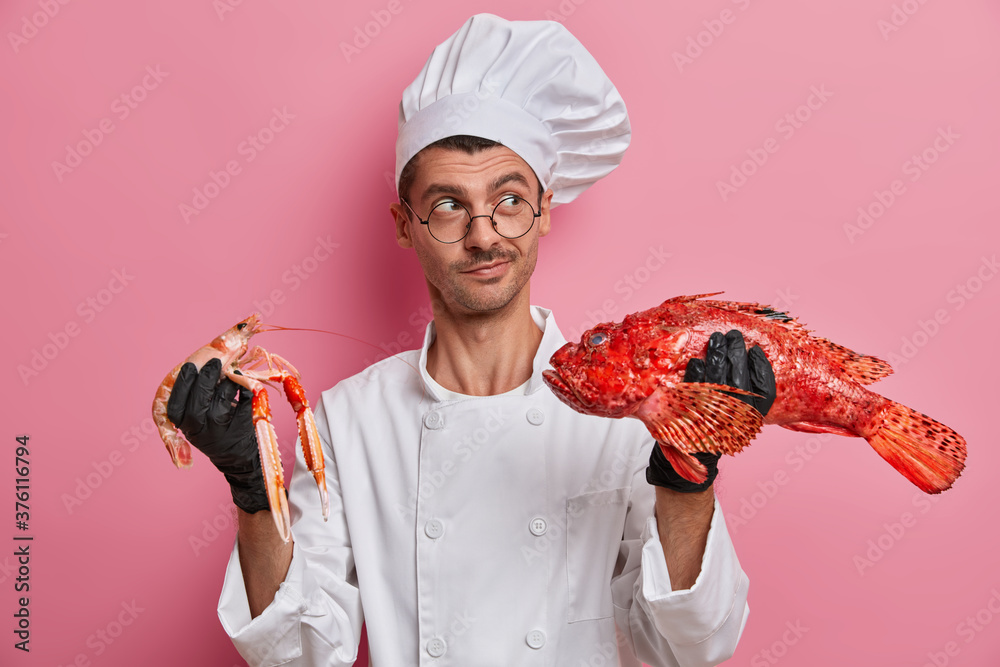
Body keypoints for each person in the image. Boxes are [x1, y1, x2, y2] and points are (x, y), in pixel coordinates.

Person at [167, 14, 776, 666]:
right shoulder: (350, 420)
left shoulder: (625, 410)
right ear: (405, 224)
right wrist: (254, 493)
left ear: (544, 210)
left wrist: (687, 482)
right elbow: (298, 654)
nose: (484, 235)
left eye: (508, 199)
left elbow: (691, 647)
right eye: (449, 206)